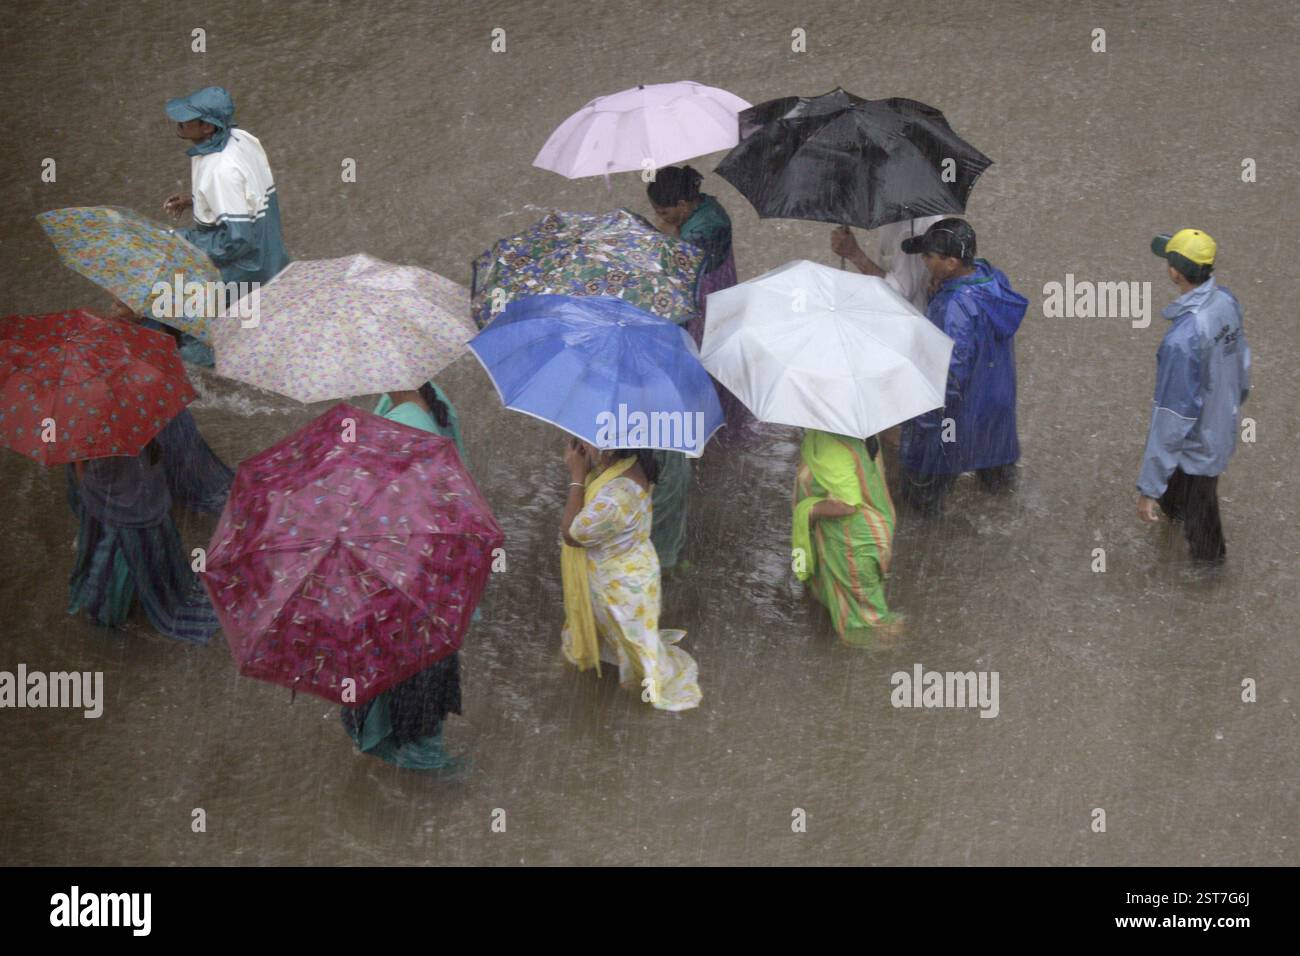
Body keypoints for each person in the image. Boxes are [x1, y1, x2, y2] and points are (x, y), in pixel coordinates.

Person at [340, 381, 474, 771]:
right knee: (422, 668)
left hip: (404, 571)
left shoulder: (402, 427)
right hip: (430, 570)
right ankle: (420, 746)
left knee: (401, 670)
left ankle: (411, 753)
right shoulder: (430, 405)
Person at [891, 219, 1028, 515]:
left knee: (919, 498)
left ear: (951, 262)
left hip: (957, 419)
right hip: (996, 412)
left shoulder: (955, 308)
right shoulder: (993, 278)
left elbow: (950, 378)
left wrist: (918, 422)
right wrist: (939, 290)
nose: (924, 262)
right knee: (1001, 494)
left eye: (929, 257)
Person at [560, 438, 701, 711]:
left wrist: (576, 477)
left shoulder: (616, 496)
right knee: (626, 641)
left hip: (620, 587)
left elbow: (571, 533)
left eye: (589, 442)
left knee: (635, 662)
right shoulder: (633, 465)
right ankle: (621, 690)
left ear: (609, 448)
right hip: (635, 570)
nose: (582, 446)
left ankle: (629, 704)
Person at [1136, 229, 1249, 563]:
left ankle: (1211, 577)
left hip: (1199, 444)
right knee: (1181, 498)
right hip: (1218, 424)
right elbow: (1242, 364)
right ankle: (1171, 512)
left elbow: (1171, 419)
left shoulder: (1181, 341)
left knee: (1204, 527)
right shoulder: (1226, 302)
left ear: (1175, 272)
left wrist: (1148, 489)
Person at [160, 86, 291, 367]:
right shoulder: (242, 140)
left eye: (187, 119)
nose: (179, 123)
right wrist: (198, 201)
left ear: (207, 127)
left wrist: (185, 243)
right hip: (269, 255)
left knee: (205, 338)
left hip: (241, 268)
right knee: (245, 324)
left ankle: (197, 375)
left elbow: (238, 239)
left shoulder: (221, 170)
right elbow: (245, 195)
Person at [66, 441, 221, 644]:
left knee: (110, 570)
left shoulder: (87, 436)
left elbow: (83, 480)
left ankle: (107, 611)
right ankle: (147, 592)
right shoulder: (137, 426)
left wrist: (79, 468)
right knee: (145, 558)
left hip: (115, 509)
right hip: (146, 501)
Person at [648, 165, 752, 431]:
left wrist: (659, 236)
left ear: (682, 204)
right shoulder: (702, 209)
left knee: (703, 359)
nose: (660, 217)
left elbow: (678, 261)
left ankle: (710, 424)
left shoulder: (707, 227)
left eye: (663, 212)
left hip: (707, 301)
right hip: (713, 295)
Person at [105, 298, 233, 515]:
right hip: (163, 403)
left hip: (158, 405)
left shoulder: (143, 332)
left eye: (120, 302)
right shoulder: (151, 324)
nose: (114, 306)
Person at [792, 430, 900, 646]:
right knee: (863, 605)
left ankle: (878, 665)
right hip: (871, 528)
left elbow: (847, 504)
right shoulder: (860, 431)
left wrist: (808, 511)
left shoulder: (831, 447)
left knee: (870, 624)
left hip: (852, 544)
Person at [830, 214, 947, 313]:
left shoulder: (913, 227)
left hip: (910, 321)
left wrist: (855, 255)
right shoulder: (893, 215)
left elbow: (901, 295)